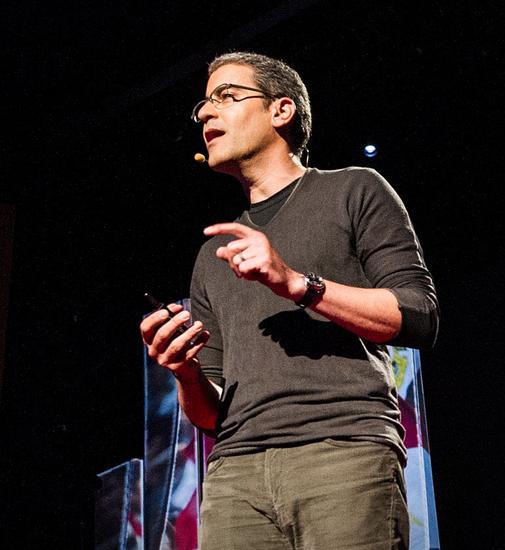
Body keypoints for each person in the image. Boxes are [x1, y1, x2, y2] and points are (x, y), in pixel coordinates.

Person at [139, 52, 438, 549]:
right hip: (234, 478)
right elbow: (211, 414)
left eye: (226, 97)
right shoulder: (214, 252)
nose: (206, 114)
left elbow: (419, 316)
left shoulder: (354, 190)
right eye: (202, 106)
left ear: (282, 110)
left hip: (342, 453)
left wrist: (298, 284)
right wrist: (185, 372)